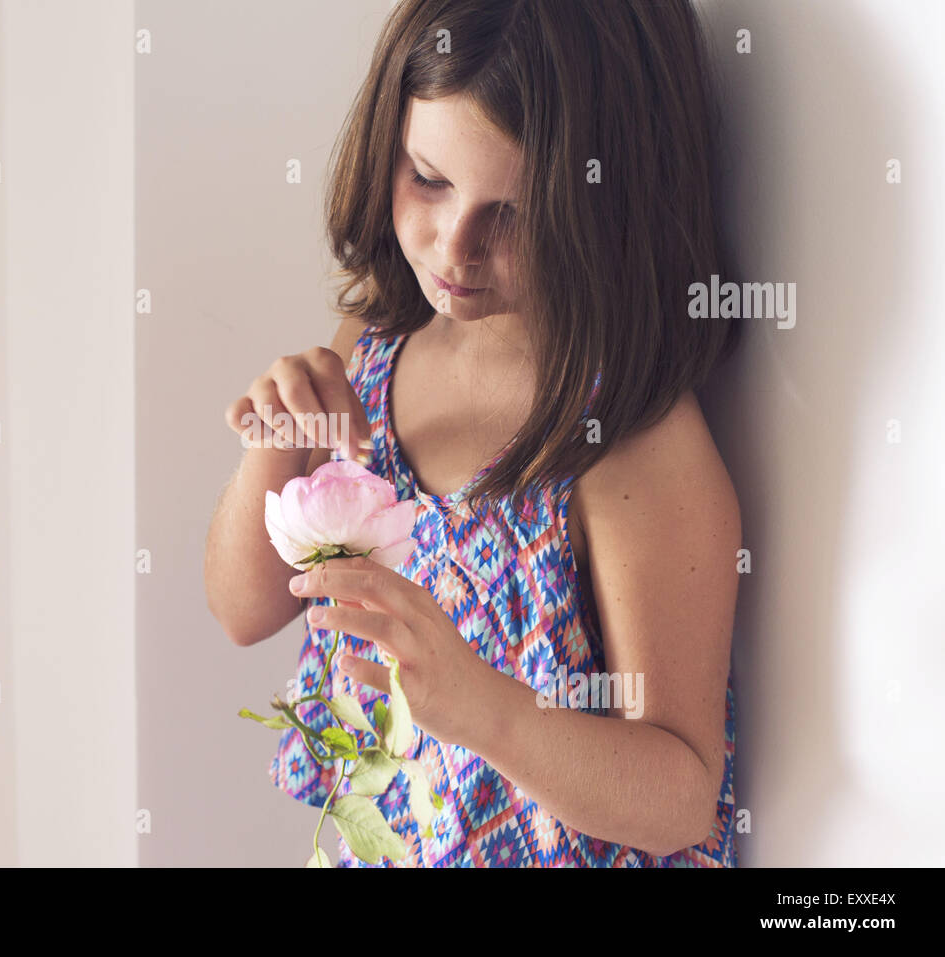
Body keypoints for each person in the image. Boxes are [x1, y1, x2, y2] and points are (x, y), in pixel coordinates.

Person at [205, 0, 743, 867]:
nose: (454, 248)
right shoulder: (370, 356)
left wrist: (485, 709)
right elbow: (244, 608)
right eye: (428, 178)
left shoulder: (626, 436)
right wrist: (274, 442)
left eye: (515, 212)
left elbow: (681, 791)